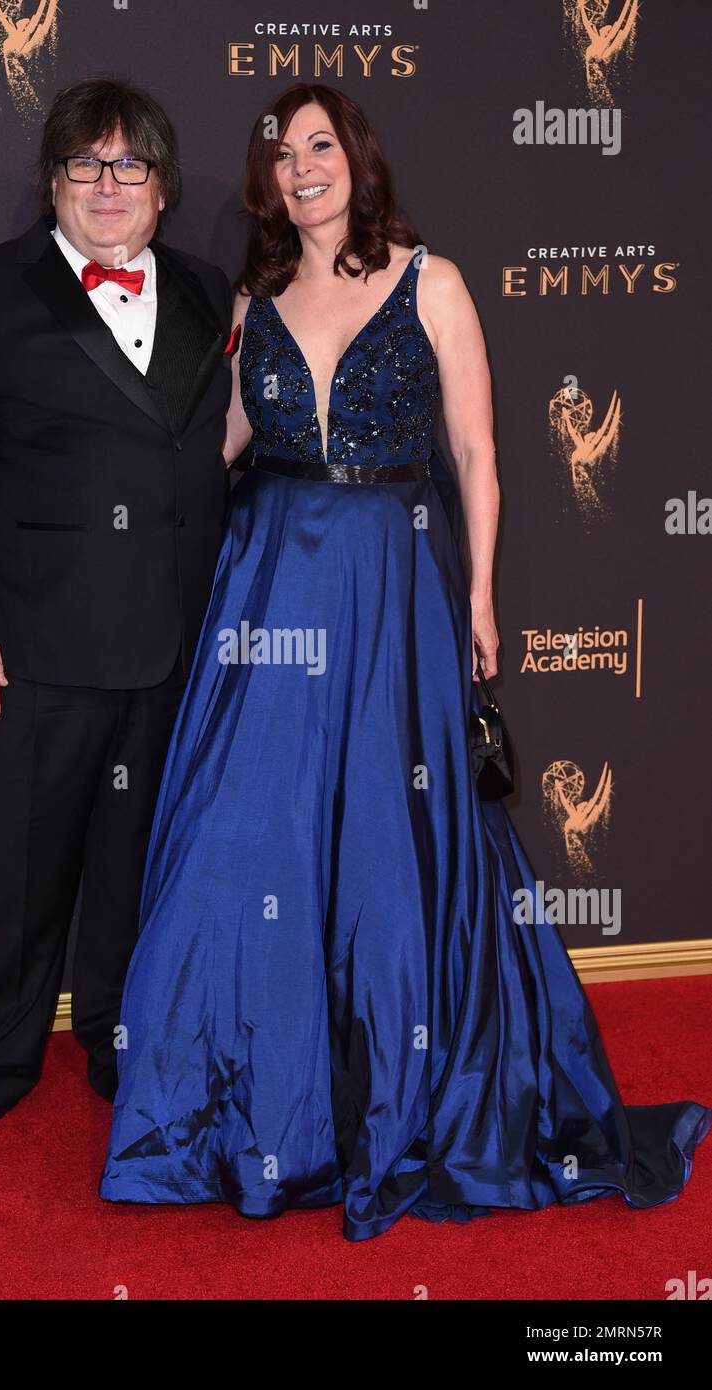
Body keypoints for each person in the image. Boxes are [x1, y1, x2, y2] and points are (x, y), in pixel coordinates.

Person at [98, 83, 710, 1241]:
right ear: (265, 179)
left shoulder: (431, 281)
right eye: (280, 154)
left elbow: (476, 453)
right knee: (240, 839)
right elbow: (216, 444)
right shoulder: (255, 294)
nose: (300, 166)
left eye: (319, 144)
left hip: (389, 582)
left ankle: (394, 1098)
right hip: (269, 582)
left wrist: (476, 597)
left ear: (357, 157)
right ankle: (236, 1109)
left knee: (389, 846)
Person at [0, 76, 233, 1161]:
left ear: (162, 186)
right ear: (53, 179)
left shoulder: (200, 289)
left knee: (135, 868)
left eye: (128, 164)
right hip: (29, 653)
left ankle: (115, 1040)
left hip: (170, 647)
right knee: (19, 872)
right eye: (85, 164)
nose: (106, 185)